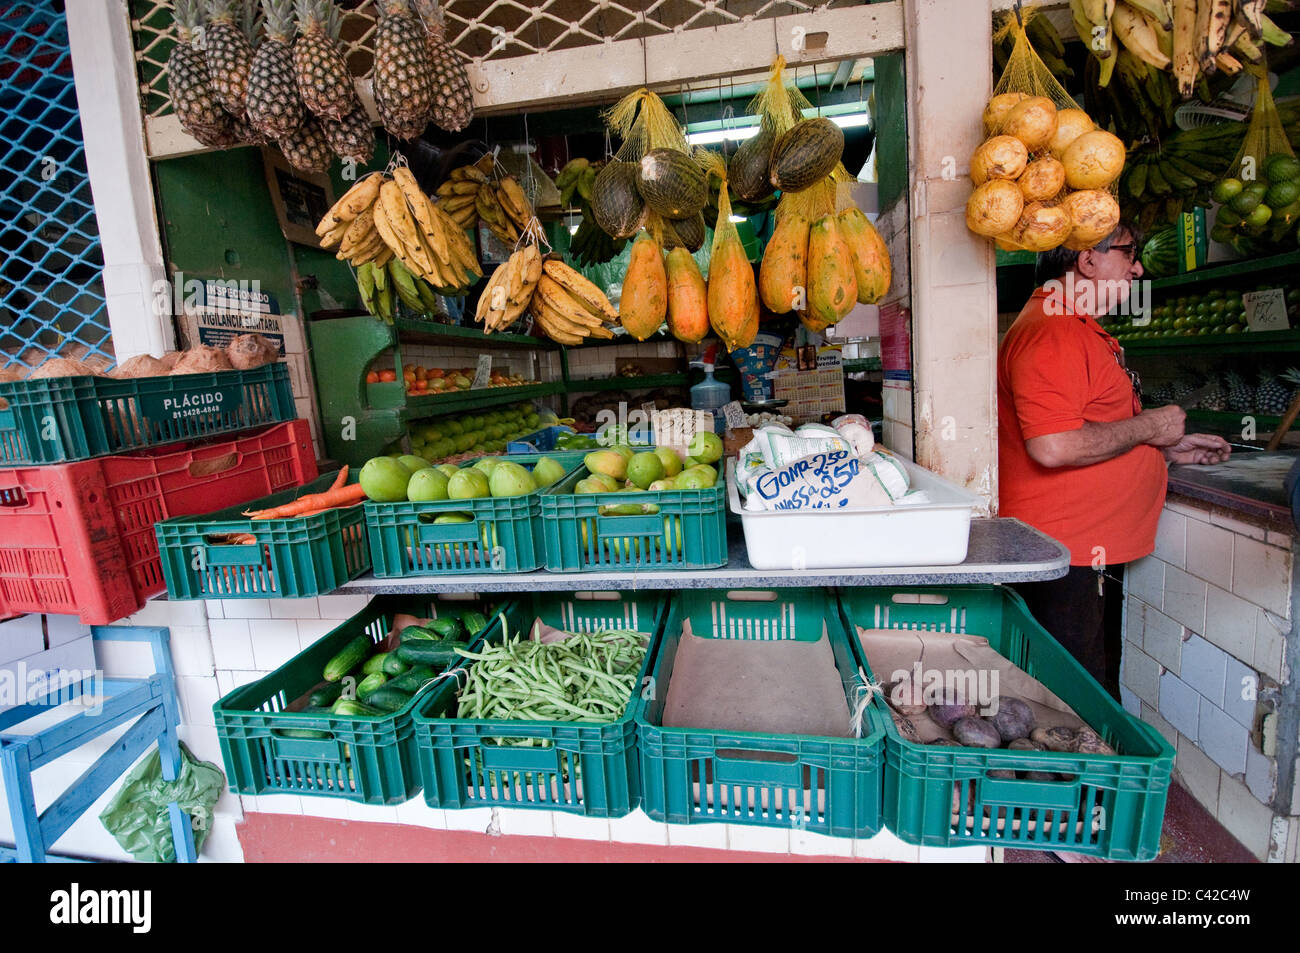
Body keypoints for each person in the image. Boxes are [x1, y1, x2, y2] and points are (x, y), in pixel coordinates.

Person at [998, 221, 1231, 696]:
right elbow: (1054, 445)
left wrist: (1159, 447)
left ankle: (1088, 769)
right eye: (1129, 253)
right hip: (1068, 553)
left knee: (1088, 684)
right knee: (1075, 697)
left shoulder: (1076, 327)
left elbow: (1084, 426)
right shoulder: (1053, 334)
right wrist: (1152, 427)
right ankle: (1078, 773)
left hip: (1082, 550)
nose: (1138, 267)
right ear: (1087, 260)